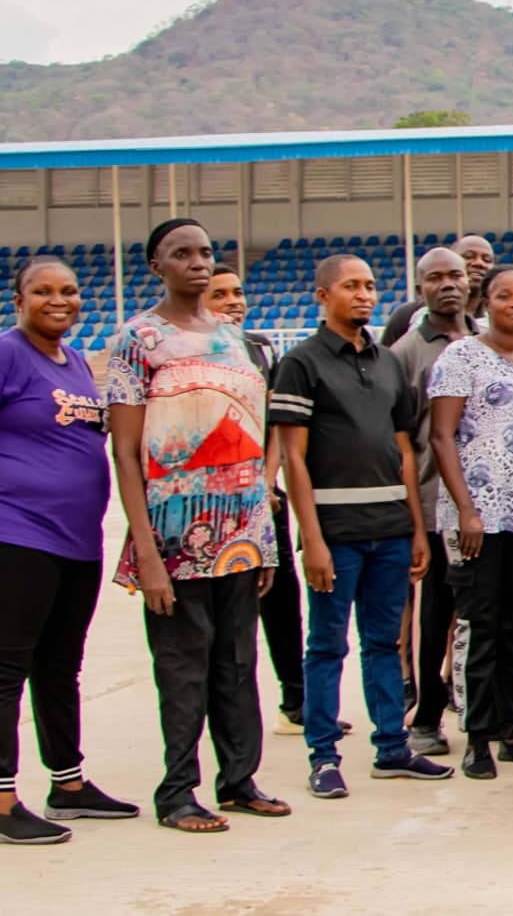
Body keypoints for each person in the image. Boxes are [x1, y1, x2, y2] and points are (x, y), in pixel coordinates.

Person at [0, 256, 139, 845]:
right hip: (9, 535)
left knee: (60, 667)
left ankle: (68, 786)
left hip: (74, 541)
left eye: (68, 290)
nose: (58, 300)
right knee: (3, 668)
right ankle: (0, 804)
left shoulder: (73, 364)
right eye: (42, 291)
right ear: (18, 299)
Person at [105, 219, 283, 832]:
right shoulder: (138, 339)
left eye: (206, 252)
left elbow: (256, 442)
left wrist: (263, 542)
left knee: (236, 663)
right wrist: (147, 553)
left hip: (241, 533)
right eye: (182, 254)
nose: (199, 263)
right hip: (174, 535)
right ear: (157, 267)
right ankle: (177, 791)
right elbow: (126, 453)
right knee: (183, 668)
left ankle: (238, 780)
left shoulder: (235, 339)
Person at [271, 254, 449, 798]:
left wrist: (416, 530)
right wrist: (313, 540)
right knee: (326, 645)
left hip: (392, 529)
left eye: (370, 285)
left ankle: (392, 749)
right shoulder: (301, 363)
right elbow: (292, 457)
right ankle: (323, 757)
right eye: (351, 286)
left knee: (382, 642)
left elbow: (403, 450)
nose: (364, 294)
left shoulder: (388, 362)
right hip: (336, 533)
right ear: (323, 295)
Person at [428, 265, 513, 778]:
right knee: (479, 625)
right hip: (476, 516)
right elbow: (442, 436)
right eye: (504, 295)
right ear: (486, 302)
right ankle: (477, 736)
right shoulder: (461, 355)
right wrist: (465, 508)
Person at [201, 267, 316, 737]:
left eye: (238, 292)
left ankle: (296, 697)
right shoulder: (187, 352)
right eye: (219, 295)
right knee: (226, 611)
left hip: (261, 497)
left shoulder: (260, 347)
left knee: (283, 596)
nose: (233, 301)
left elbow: (274, 423)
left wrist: (267, 481)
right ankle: (224, 706)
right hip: (212, 502)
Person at [390, 247, 478, 759]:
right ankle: (425, 717)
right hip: (433, 503)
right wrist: (414, 521)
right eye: (435, 278)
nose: (447, 285)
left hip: (491, 507)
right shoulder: (406, 353)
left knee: (482, 617)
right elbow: (400, 440)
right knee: (435, 617)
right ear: (420, 288)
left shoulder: (487, 340)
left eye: (456, 276)